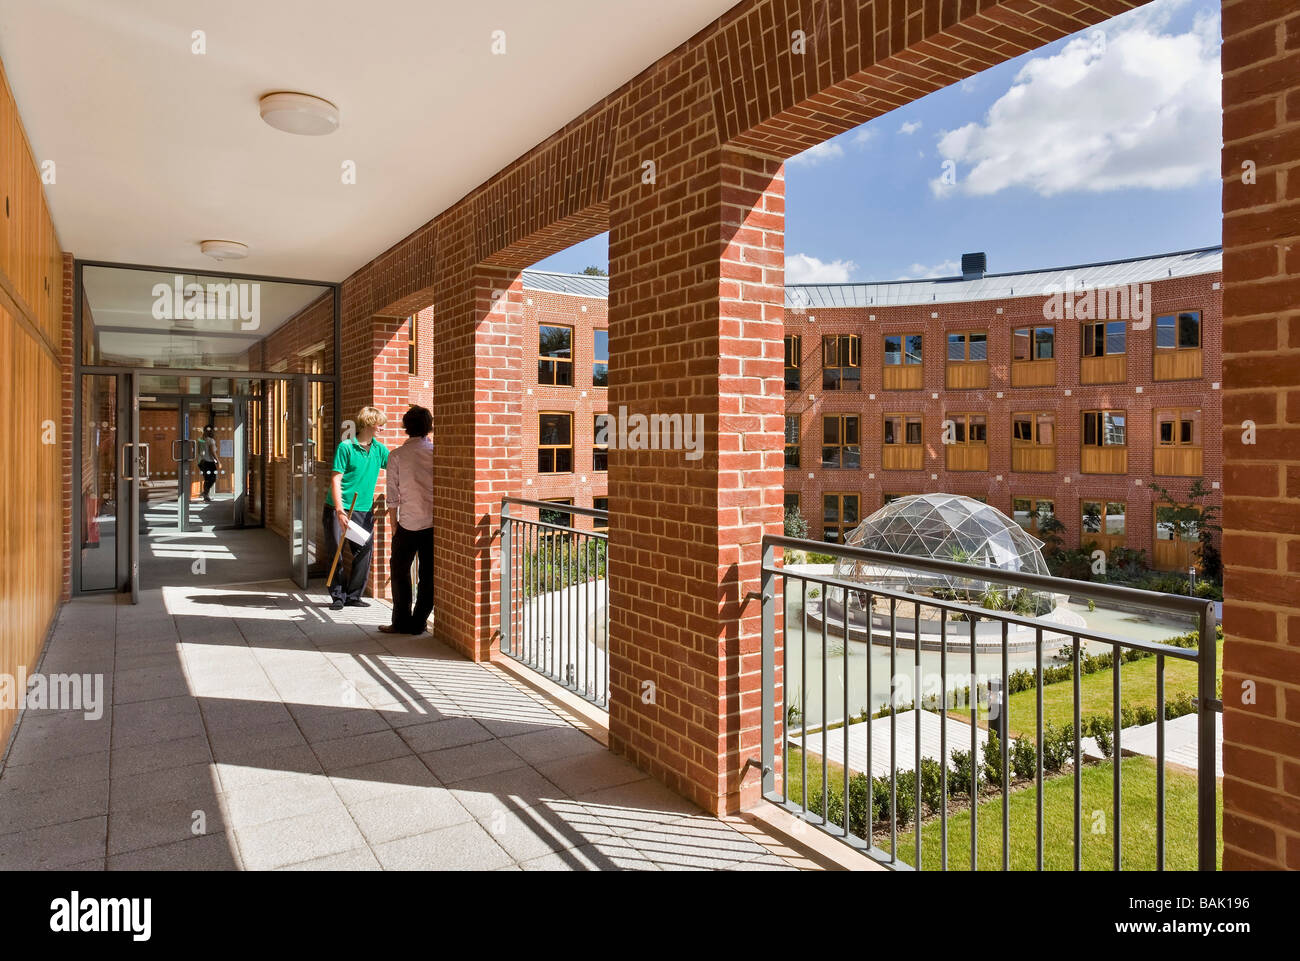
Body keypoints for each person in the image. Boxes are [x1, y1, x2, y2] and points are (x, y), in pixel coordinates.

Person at [323, 406, 389, 611]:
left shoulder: (379, 450)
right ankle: (337, 596)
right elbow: (336, 480)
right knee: (336, 552)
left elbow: (397, 465)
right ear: (368, 423)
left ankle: (353, 595)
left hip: (363, 510)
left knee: (364, 550)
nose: (383, 428)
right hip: (338, 508)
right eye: (380, 424)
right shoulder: (346, 447)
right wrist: (340, 511)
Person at [380, 405, 434, 635]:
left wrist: (393, 524)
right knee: (428, 576)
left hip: (407, 523)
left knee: (399, 571)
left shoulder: (396, 456)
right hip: (433, 523)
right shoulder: (436, 453)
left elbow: (392, 495)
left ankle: (401, 621)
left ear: (405, 427)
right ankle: (419, 622)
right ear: (428, 427)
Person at [198, 425, 220, 503]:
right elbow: (212, 452)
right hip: (209, 462)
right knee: (212, 479)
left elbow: (199, 451)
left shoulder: (201, 440)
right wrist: (218, 461)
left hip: (201, 462)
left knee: (207, 479)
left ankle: (206, 495)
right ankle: (205, 494)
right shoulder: (211, 441)